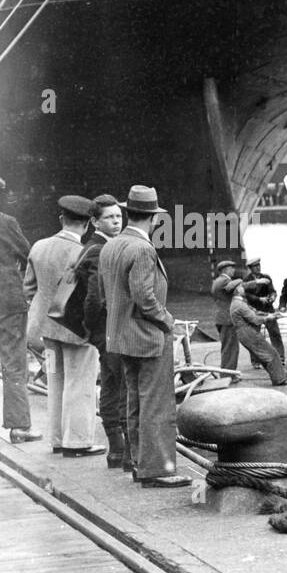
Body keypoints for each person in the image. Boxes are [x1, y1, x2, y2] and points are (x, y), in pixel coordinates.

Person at [99, 185, 189, 488]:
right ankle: (158, 469)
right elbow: (144, 296)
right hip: (149, 337)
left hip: (122, 338)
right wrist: (168, 321)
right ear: (152, 218)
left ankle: (139, 462)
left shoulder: (111, 245)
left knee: (135, 400)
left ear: (128, 212)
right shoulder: (143, 249)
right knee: (157, 404)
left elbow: (105, 295)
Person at [24, 195, 104, 456]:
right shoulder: (85, 253)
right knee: (79, 384)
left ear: (61, 219)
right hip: (76, 331)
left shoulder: (38, 247)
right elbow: (93, 297)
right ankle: (78, 442)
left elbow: (29, 289)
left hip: (44, 331)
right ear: (88, 224)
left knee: (55, 383)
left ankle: (57, 440)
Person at [76, 196, 130, 469]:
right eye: (110, 217)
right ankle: (126, 451)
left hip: (103, 331)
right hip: (109, 329)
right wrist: (93, 326)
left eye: (119, 216)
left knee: (110, 385)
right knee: (121, 385)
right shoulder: (99, 249)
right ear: (95, 221)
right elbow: (95, 297)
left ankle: (116, 450)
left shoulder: (94, 246)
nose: (117, 221)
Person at [0, 179, 40, 443]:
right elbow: (30, 255)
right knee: (13, 363)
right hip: (7, 300)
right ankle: (19, 427)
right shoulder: (6, 222)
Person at [231, 280, 287, 386]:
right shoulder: (239, 304)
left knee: (264, 357)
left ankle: (280, 376)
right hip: (248, 333)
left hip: (243, 334)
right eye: (241, 287)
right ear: (237, 290)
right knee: (272, 354)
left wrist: (270, 314)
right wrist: (269, 317)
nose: (243, 288)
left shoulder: (237, 303)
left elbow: (253, 311)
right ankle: (280, 379)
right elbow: (255, 319)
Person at [243, 257, 284, 363]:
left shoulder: (266, 277)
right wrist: (259, 299)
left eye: (259, 266)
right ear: (251, 268)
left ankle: (280, 357)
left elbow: (273, 291)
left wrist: (272, 297)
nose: (258, 268)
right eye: (255, 266)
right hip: (254, 310)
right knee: (254, 336)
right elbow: (246, 295)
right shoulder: (246, 280)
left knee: (275, 333)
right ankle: (255, 361)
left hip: (268, 309)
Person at [211, 259, 242, 378]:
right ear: (226, 270)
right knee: (231, 347)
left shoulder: (217, 281)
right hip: (227, 319)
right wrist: (241, 280)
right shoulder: (225, 280)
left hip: (221, 318)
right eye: (231, 268)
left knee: (228, 347)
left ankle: (227, 374)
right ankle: (228, 376)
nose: (234, 270)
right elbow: (230, 288)